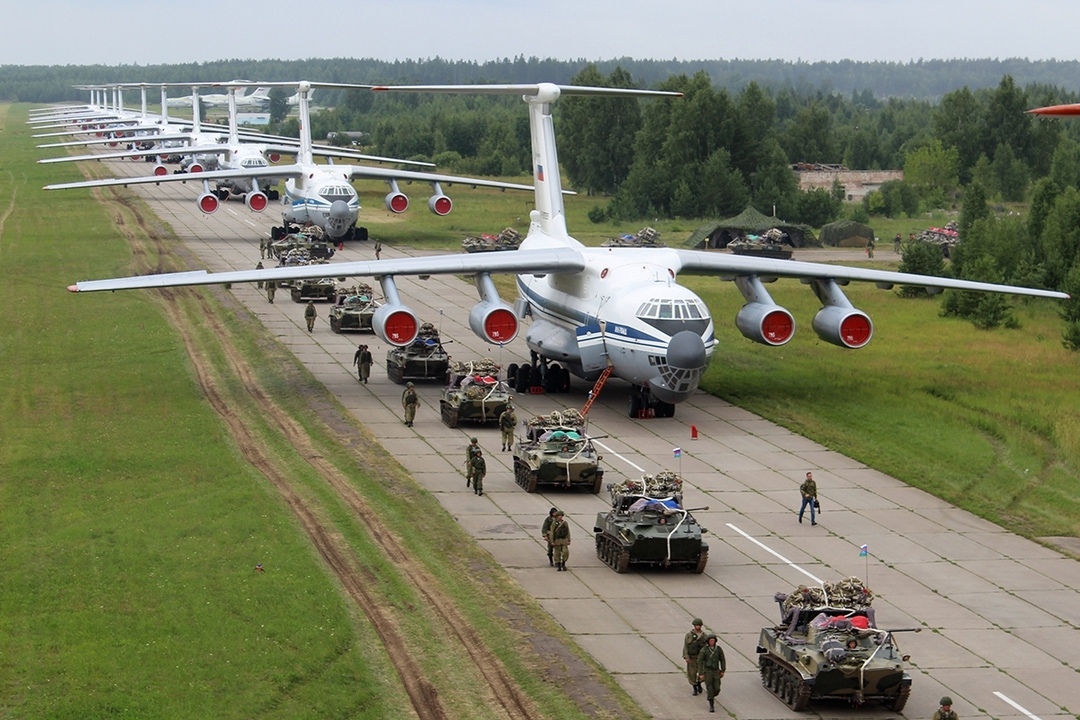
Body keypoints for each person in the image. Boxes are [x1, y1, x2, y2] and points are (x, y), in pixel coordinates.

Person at [696, 634, 726, 713]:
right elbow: (700, 661)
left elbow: (722, 659)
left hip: (716, 670)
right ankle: (711, 704)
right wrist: (701, 673)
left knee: (717, 688)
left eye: (713, 640)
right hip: (708, 671)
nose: (712, 642)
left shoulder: (718, 649)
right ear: (708, 641)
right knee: (709, 688)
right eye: (711, 640)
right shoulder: (704, 650)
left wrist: (723, 670)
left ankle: (712, 695)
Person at [682, 618, 708, 696]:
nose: (697, 627)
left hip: (701, 657)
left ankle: (699, 683)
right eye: (696, 625)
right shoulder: (689, 635)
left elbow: (707, 646)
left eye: (699, 625)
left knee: (702, 672)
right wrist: (686, 656)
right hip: (692, 657)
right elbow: (686, 646)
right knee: (692, 673)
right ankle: (694, 687)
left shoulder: (704, 636)